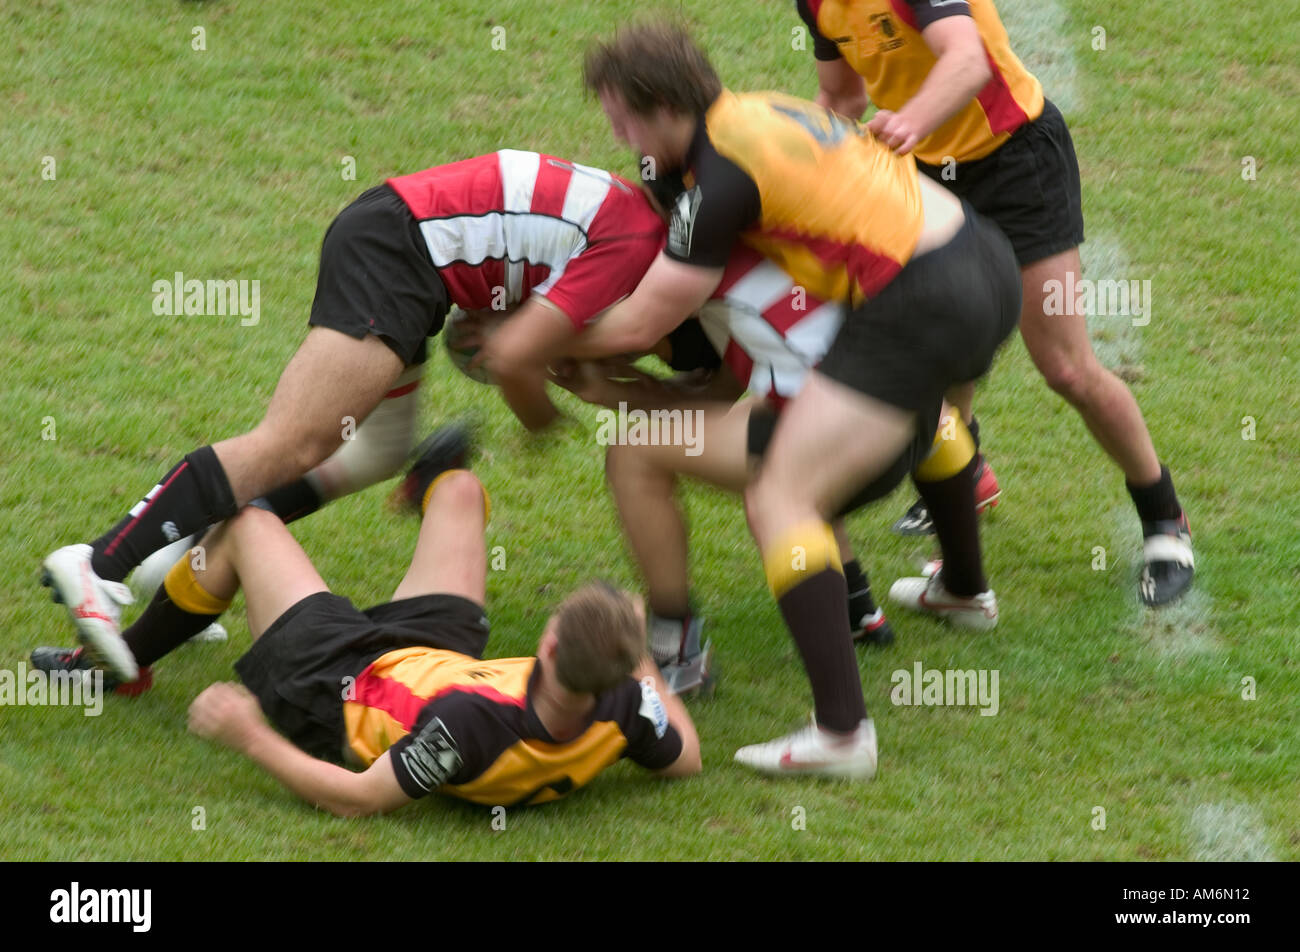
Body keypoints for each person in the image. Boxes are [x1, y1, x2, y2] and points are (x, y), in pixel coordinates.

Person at [575, 24, 1021, 777]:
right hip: (983, 258)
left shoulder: (717, 177)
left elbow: (653, 314)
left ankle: (842, 735)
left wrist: (550, 339)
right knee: (918, 412)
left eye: (622, 120)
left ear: (660, 106)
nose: (620, 137)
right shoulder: (756, 112)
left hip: (922, 296)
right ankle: (964, 592)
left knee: (783, 494)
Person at [39, 150, 666, 683]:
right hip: (398, 251)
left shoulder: (635, 223)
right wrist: (542, 419)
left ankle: (169, 566)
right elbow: (509, 355)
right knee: (294, 442)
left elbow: (510, 308)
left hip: (410, 253)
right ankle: (99, 564)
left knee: (373, 451)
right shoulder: (637, 248)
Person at [52, 432, 700, 814]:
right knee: (461, 493)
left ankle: (122, 662)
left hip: (341, 677)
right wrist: (637, 653)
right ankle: (428, 481)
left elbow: (357, 797)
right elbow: (687, 758)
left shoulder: (467, 728)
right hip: (439, 662)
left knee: (245, 524)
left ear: (549, 644)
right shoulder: (622, 706)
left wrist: (250, 735)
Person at [794, 0, 1194, 606]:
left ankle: (1165, 520)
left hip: (1017, 160)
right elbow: (842, 97)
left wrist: (909, 122)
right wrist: (792, 165)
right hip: (926, 173)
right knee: (936, 348)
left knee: (1066, 366)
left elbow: (969, 59)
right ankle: (968, 471)